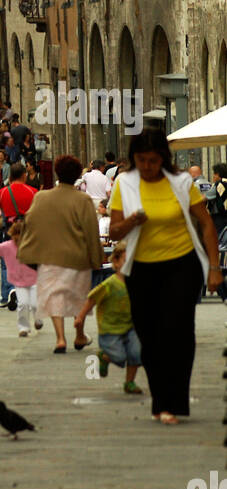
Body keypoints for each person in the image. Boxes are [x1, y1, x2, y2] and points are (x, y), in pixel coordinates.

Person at [108, 128, 222, 423]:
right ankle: (161, 399)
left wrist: (213, 267)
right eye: (141, 160)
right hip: (142, 269)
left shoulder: (182, 183)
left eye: (153, 160)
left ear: (163, 158)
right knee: (150, 336)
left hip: (181, 266)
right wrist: (133, 220)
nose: (147, 166)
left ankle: (171, 402)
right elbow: (114, 231)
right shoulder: (125, 183)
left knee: (179, 333)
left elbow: (207, 225)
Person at [15, 155, 103, 354]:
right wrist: (96, 258)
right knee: (77, 297)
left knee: (55, 297)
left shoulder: (41, 197)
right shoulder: (83, 199)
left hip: (49, 257)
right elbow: (91, 231)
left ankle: (60, 339)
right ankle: (79, 334)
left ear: (57, 173)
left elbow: (30, 224)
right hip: (77, 257)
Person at [74, 240, 142, 394]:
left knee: (136, 353)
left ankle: (129, 382)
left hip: (131, 327)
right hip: (110, 328)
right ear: (116, 262)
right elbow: (92, 299)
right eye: (126, 260)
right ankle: (104, 357)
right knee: (118, 355)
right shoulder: (109, 284)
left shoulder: (137, 283)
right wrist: (80, 317)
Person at [0, 220, 41, 337]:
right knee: (22, 304)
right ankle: (24, 327)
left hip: (34, 280)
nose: (18, 238)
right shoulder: (7, 246)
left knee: (35, 304)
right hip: (19, 282)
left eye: (21, 235)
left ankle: (38, 319)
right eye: (16, 235)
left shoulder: (34, 245)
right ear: (12, 234)